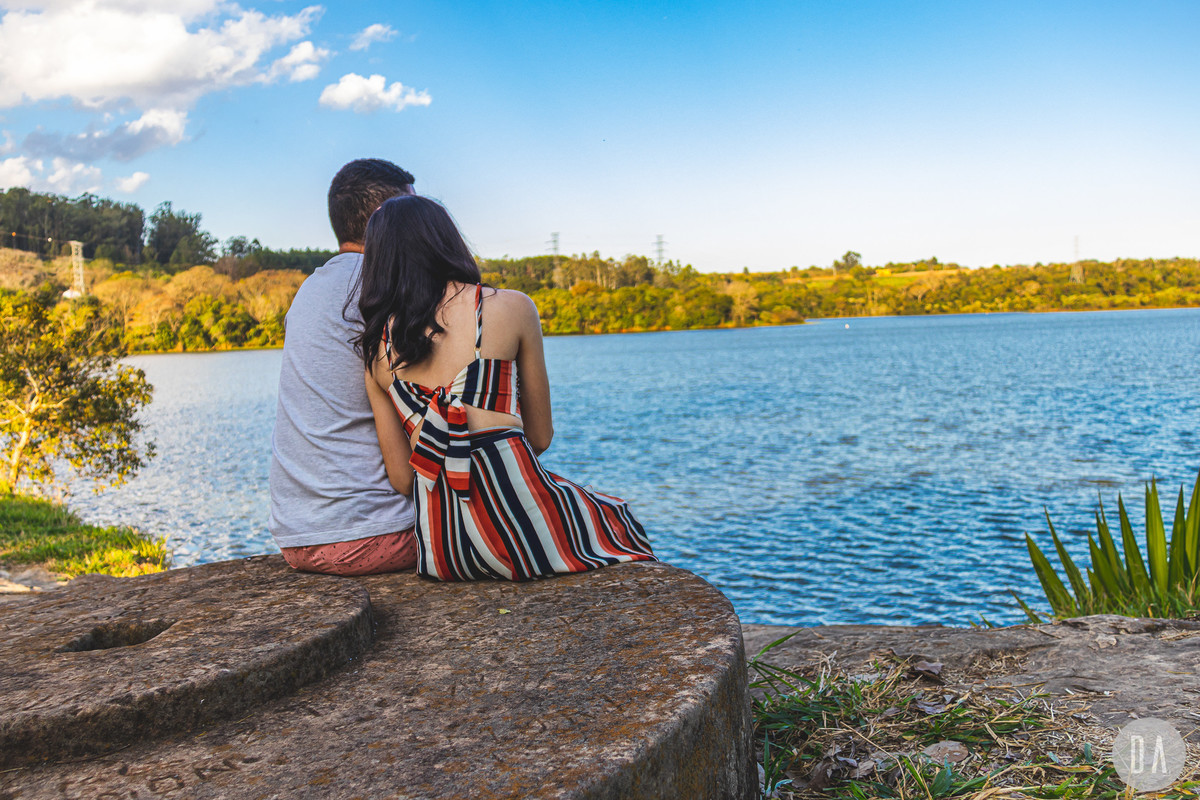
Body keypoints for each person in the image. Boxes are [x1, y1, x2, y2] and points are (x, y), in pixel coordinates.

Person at [356, 195, 656, 580]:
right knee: (617, 519)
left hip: (448, 554)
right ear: (445, 241)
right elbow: (541, 437)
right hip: (524, 537)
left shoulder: (376, 354)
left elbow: (402, 480)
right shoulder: (510, 307)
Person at [268, 159, 419, 576]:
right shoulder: (381, 286)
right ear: (383, 221)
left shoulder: (312, 287)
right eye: (411, 211)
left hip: (298, 539)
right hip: (374, 534)